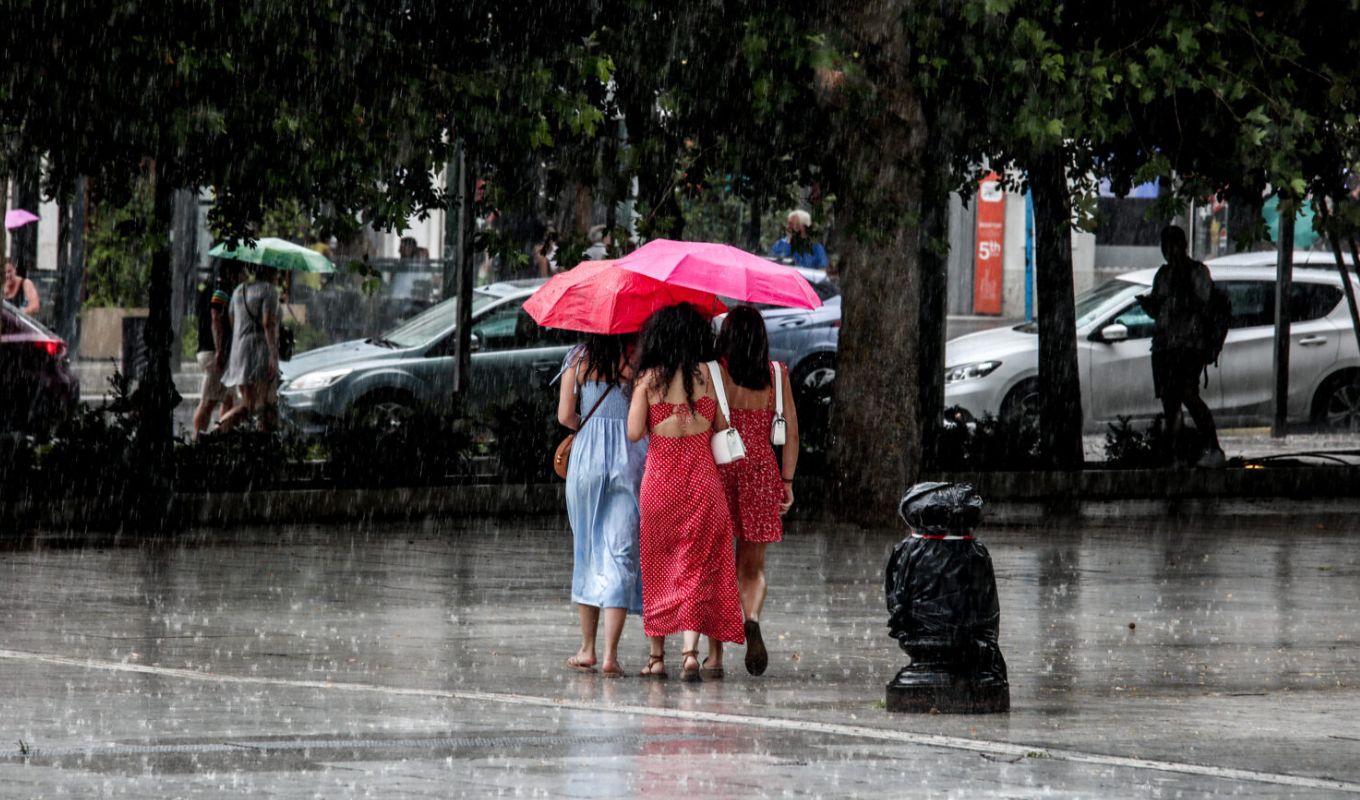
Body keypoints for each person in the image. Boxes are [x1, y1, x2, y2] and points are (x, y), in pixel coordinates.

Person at [627, 303, 745, 681]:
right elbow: (723, 424)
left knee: (659, 564)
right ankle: (691, 653)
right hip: (702, 483)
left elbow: (633, 432)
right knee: (696, 565)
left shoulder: (648, 379)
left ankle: (656, 657)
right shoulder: (711, 377)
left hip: (660, 484)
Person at [704, 305, 799, 678]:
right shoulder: (776, 375)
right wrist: (787, 481)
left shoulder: (717, 375)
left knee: (716, 564)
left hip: (722, 470)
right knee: (753, 567)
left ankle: (715, 656)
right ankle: (753, 617)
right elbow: (791, 432)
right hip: (762, 473)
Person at [557, 334, 648, 677]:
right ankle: (611, 653)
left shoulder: (578, 359)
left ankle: (587, 648)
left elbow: (565, 414)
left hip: (587, 459)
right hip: (630, 458)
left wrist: (589, 427)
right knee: (620, 553)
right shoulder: (636, 362)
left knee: (587, 551)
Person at [1136, 225, 1225, 468]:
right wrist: (1150, 305)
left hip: (1189, 346)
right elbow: (1158, 310)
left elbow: (1205, 306)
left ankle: (1213, 448)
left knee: (1188, 394)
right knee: (1170, 402)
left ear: (1183, 245)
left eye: (1173, 245)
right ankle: (1177, 456)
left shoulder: (1197, 272)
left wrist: (1180, 298)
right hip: (1164, 346)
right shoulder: (1163, 274)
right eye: (1165, 247)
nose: (1169, 252)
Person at [217, 265, 281, 433]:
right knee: (260, 404)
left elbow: (232, 320)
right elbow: (268, 324)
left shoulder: (240, 290)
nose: (278, 275)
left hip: (239, 352)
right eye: (277, 271)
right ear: (270, 272)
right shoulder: (269, 291)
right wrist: (273, 356)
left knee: (251, 404)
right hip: (259, 352)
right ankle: (215, 433)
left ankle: (217, 432)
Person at [191, 263, 237, 440]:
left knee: (228, 398)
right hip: (214, 353)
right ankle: (196, 439)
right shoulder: (221, 289)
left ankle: (222, 437)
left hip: (212, 351)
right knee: (209, 401)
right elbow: (215, 318)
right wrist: (219, 350)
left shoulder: (208, 289)